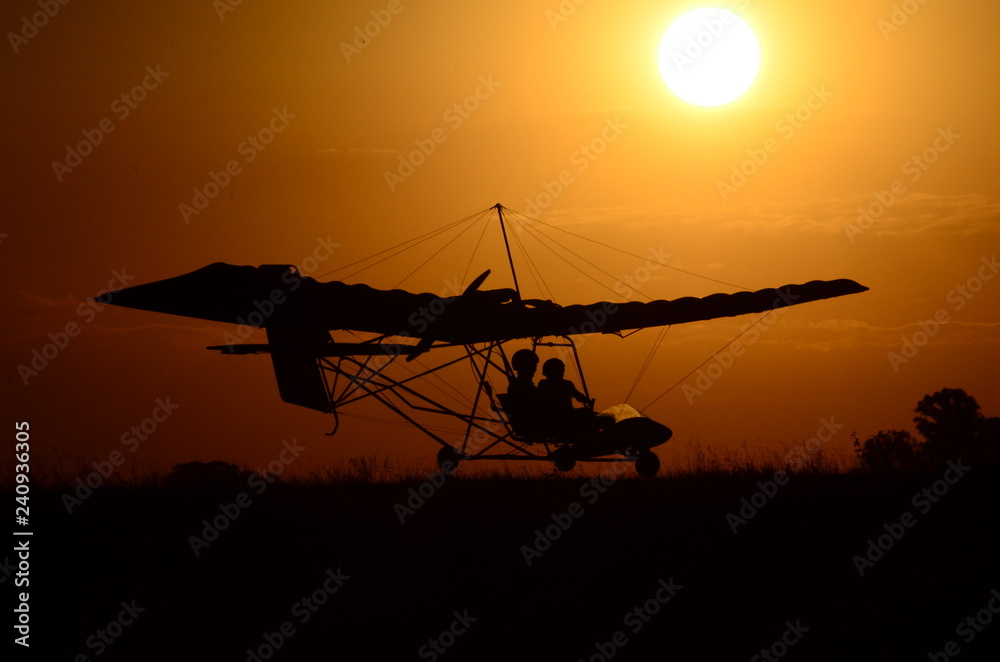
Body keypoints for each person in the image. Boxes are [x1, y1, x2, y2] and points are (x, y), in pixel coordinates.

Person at [536, 358, 595, 437]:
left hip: (551, 419)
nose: (562, 372)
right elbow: (578, 396)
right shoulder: (566, 384)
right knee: (590, 415)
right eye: (561, 370)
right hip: (567, 417)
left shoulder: (542, 384)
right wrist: (588, 401)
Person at [503, 349, 540, 436]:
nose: (534, 369)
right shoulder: (522, 387)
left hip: (531, 424)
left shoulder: (516, 385)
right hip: (534, 425)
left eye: (534, 365)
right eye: (532, 365)